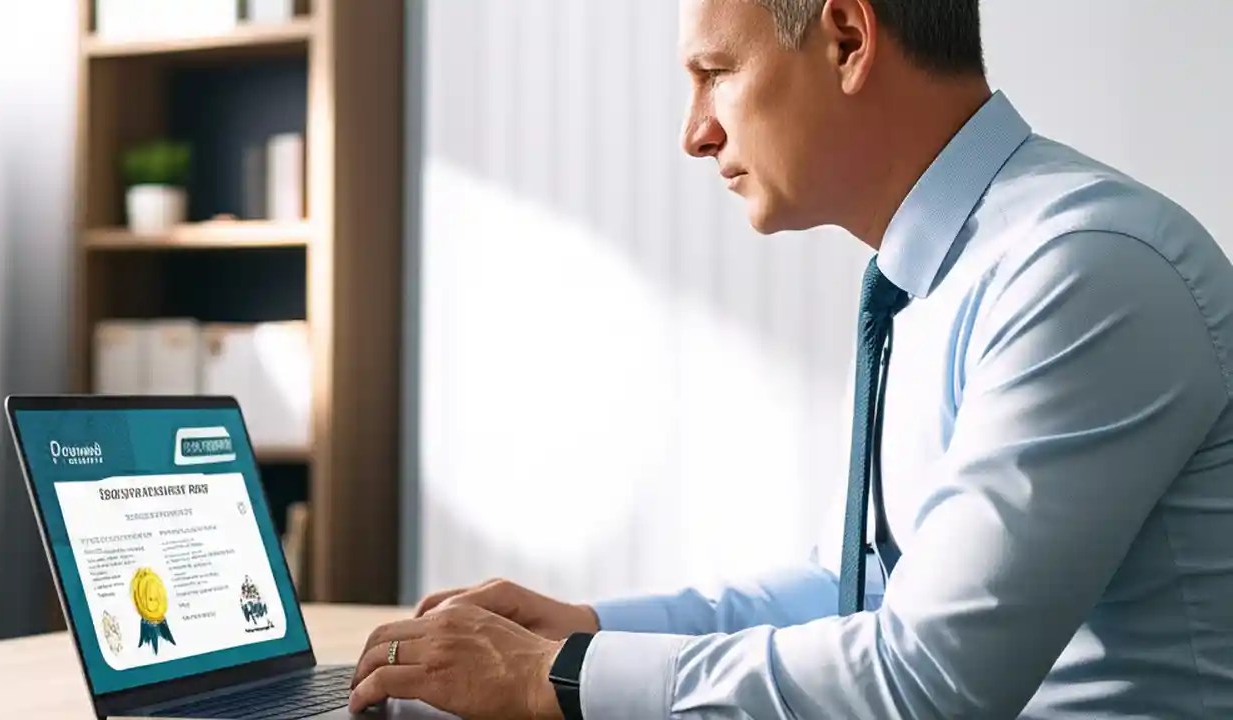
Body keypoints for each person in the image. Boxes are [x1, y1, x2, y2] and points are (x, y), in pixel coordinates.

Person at [349, 0, 1233, 717]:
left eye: (715, 73)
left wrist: (553, 678)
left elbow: (927, 681)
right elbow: (856, 591)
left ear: (847, 39)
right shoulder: (939, 278)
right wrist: (583, 631)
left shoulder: (1081, 268)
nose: (694, 133)